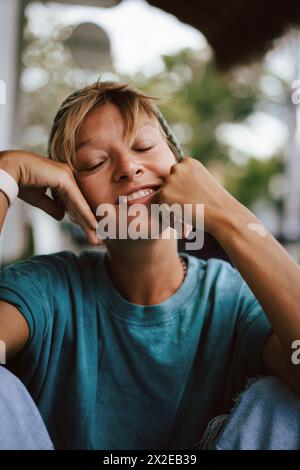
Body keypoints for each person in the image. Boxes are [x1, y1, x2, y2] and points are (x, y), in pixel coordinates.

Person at [0, 80, 299, 450]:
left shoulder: (233, 302)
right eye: (94, 162)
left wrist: (226, 214)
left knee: (281, 398)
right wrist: (5, 176)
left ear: (182, 167)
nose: (128, 167)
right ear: (71, 198)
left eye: (143, 146)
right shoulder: (45, 290)